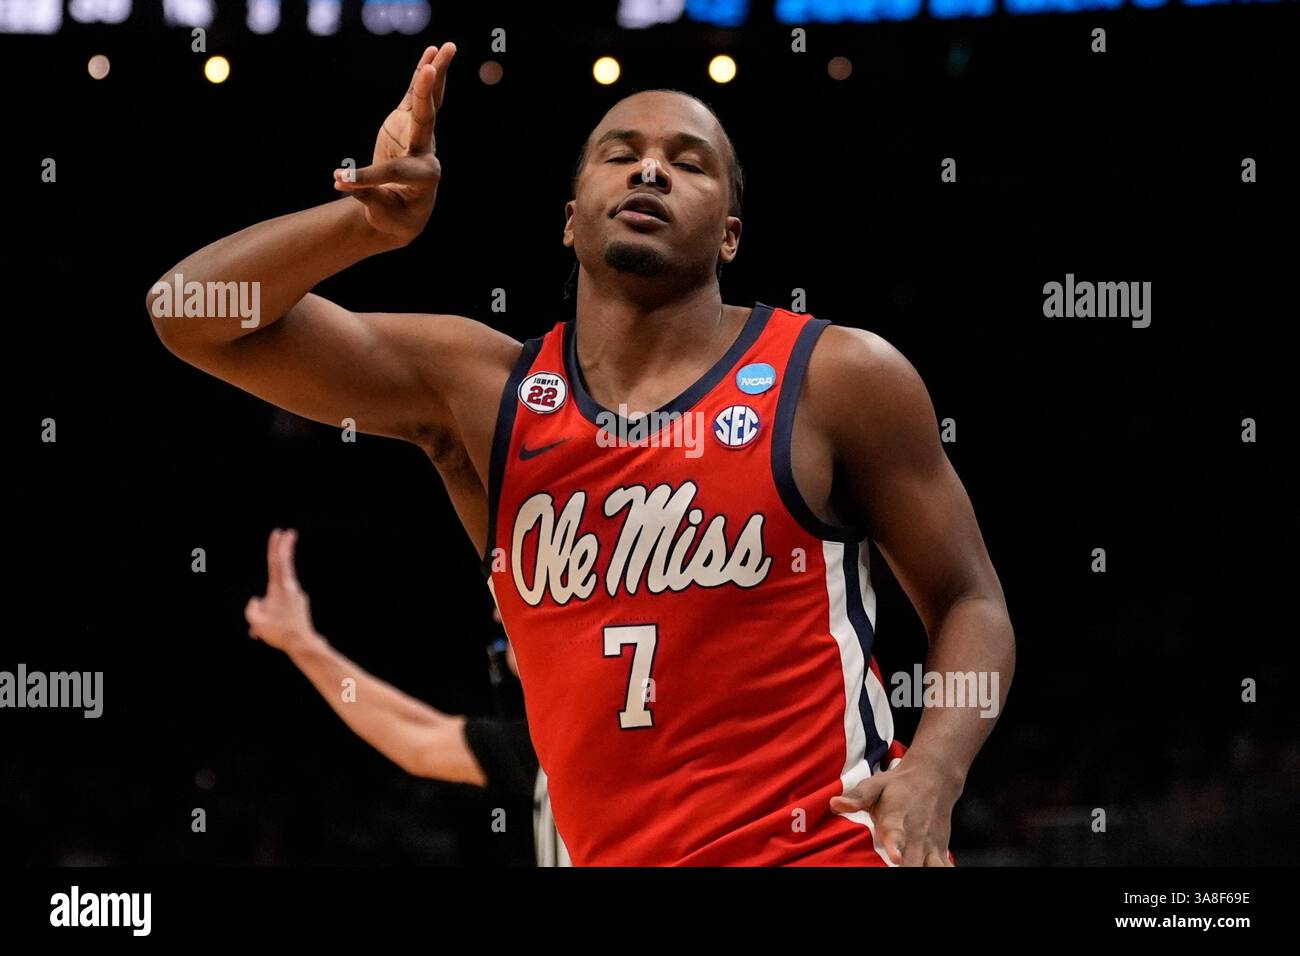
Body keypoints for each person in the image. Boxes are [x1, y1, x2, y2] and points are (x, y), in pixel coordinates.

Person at [149, 43, 1015, 865]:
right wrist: (363, 226)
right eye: (621, 153)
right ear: (569, 221)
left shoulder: (837, 376)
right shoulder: (484, 392)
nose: (649, 170)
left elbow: (970, 599)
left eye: (688, 161)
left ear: (731, 237)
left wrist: (939, 766)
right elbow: (186, 312)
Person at [244, 527, 570, 866]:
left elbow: (418, 737)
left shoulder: (606, 734)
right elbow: (418, 738)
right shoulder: (545, 742)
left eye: (517, 596)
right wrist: (301, 643)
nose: (498, 615)